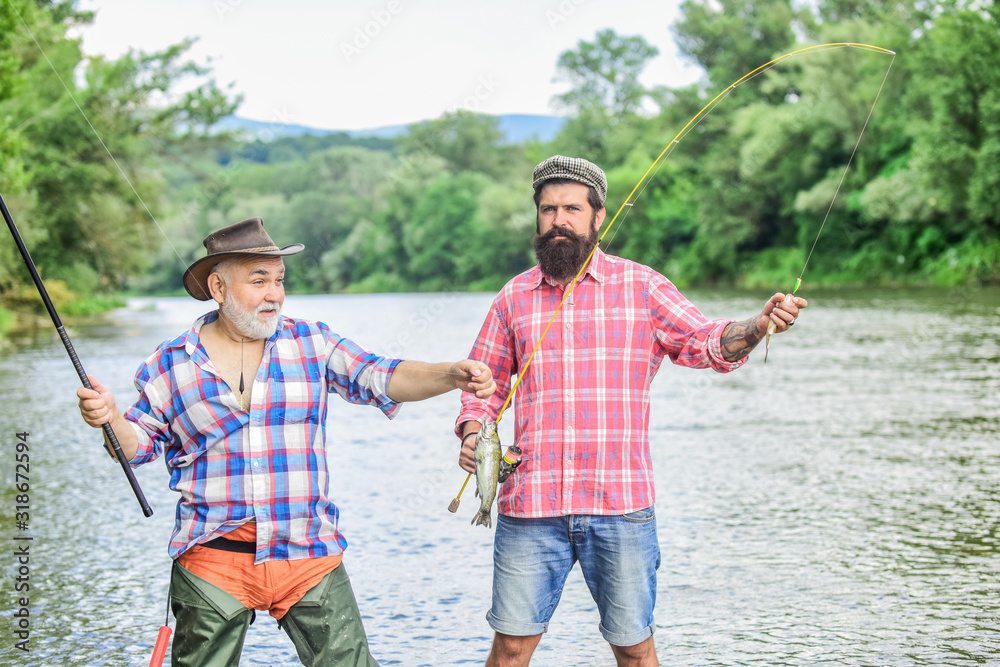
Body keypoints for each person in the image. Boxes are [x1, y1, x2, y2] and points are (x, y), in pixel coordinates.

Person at [77, 217, 496, 667]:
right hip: (212, 562)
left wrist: (449, 375)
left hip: (307, 554)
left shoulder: (311, 341)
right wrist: (111, 418)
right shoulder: (170, 362)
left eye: (279, 280)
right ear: (218, 287)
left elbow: (380, 375)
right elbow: (136, 445)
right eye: (259, 281)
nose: (274, 294)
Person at [455, 156, 807, 667]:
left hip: (619, 505)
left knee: (635, 650)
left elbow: (704, 342)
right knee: (510, 648)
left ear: (598, 217)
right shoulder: (514, 297)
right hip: (530, 506)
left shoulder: (644, 287)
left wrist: (755, 325)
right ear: (536, 217)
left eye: (572, 208)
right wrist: (471, 431)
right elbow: (481, 385)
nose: (559, 220)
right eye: (548, 209)